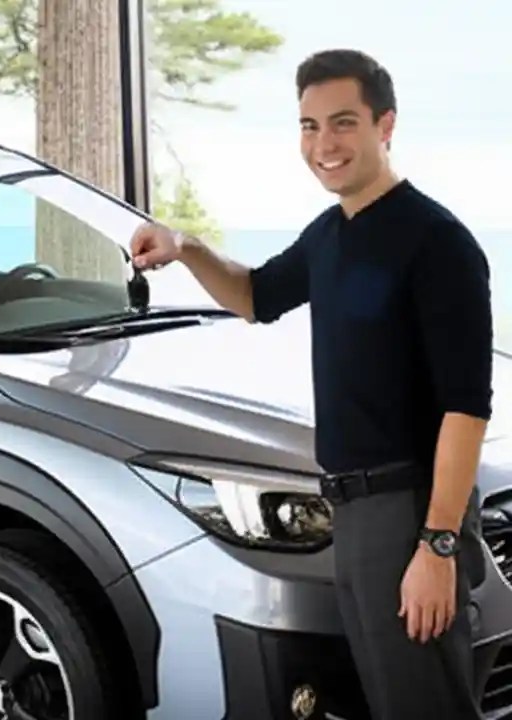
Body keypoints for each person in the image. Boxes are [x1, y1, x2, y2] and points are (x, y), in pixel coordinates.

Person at [130, 48, 494, 719]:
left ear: (386, 125)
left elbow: (466, 409)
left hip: (408, 511)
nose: (323, 144)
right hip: (349, 515)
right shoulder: (330, 235)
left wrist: (437, 544)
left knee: (426, 706)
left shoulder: (438, 242)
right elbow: (255, 295)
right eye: (308, 126)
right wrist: (184, 246)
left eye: (343, 123)